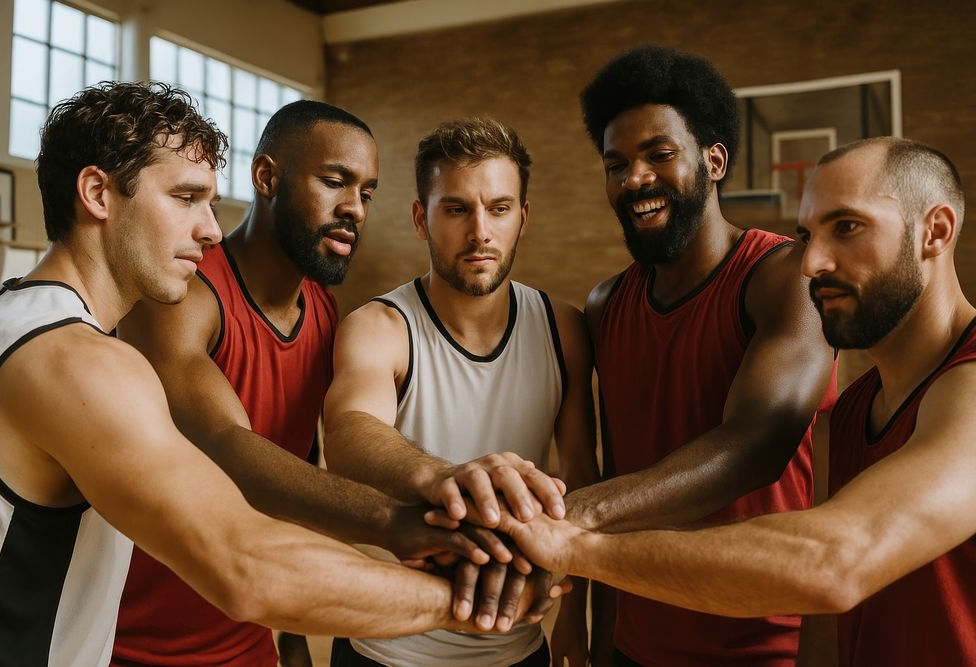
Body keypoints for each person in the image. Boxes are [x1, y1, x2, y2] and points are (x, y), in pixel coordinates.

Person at [0, 82, 552, 667]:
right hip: (144, 642)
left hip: (238, 635)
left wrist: (293, 633)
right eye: (185, 198)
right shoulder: (79, 358)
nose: (209, 228)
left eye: (367, 191)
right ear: (98, 193)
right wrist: (477, 595)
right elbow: (241, 552)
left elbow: (288, 484)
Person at [497, 136, 976, 667]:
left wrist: (573, 546)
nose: (812, 262)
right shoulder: (851, 411)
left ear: (935, 232)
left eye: (847, 227)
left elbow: (836, 560)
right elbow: (825, 626)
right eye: (806, 235)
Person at [558, 45, 836, 665]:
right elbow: (616, 473)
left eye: (659, 155)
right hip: (639, 640)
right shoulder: (606, 304)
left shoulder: (783, 275)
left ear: (713, 160)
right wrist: (604, 642)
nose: (634, 179)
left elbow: (754, 446)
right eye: (616, 164)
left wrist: (569, 517)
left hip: (763, 643)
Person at [322, 117, 599, 667]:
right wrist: (445, 477)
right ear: (422, 219)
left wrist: (576, 610)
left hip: (517, 647)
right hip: (385, 649)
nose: (480, 232)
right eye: (456, 209)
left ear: (524, 218)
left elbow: (583, 477)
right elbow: (350, 433)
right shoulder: (380, 326)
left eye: (499, 208)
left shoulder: (562, 329)